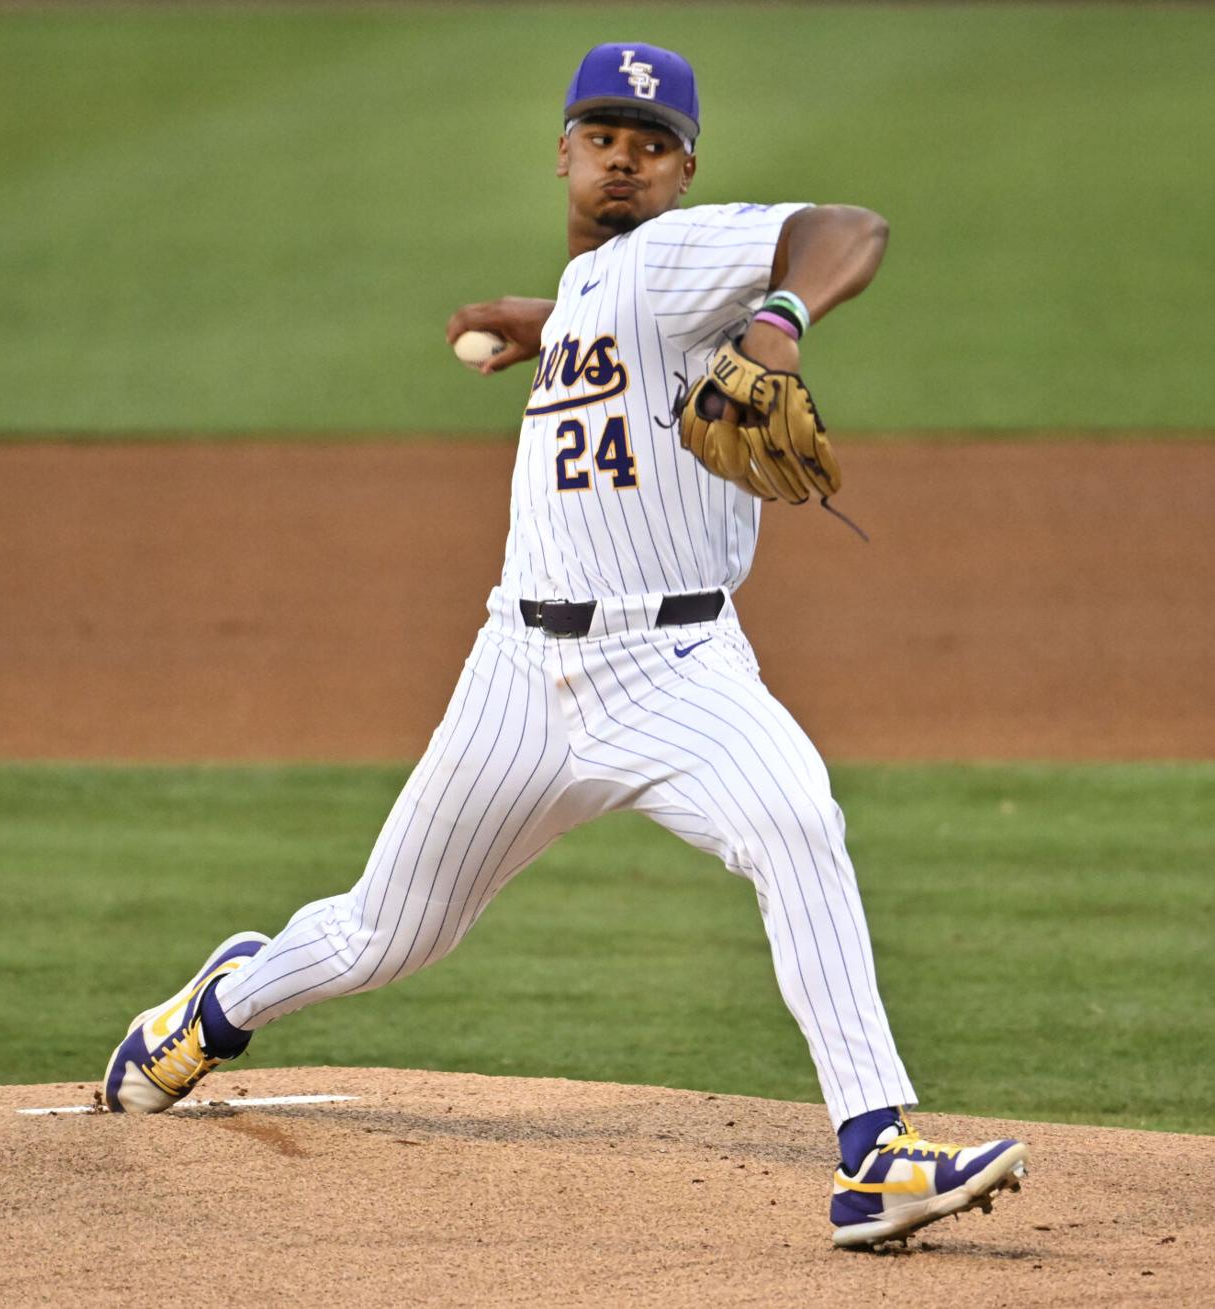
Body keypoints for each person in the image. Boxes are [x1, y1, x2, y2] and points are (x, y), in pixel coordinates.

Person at [103, 41, 1027, 1249]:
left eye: (651, 148)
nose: (624, 164)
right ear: (563, 155)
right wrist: (543, 327)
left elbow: (843, 223)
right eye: (604, 141)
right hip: (516, 679)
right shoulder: (600, 286)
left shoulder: (683, 253)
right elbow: (618, 322)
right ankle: (217, 1007)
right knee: (389, 933)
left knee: (796, 820)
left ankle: (878, 1153)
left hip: (680, 673)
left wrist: (784, 315)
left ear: (684, 170)